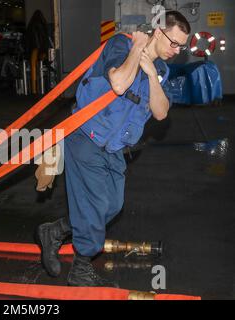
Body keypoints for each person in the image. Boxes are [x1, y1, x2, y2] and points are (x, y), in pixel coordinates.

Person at [36, 11, 191, 287]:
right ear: (158, 32)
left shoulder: (163, 71)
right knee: (95, 205)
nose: (176, 51)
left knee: (112, 206)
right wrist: (136, 51)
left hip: (114, 148)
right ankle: (81, 269)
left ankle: (55, 231)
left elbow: (161, 112)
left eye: (181, 46)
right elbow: (119, 83)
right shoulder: (121, 45)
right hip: (85, 136)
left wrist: (152, 76)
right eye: (173, 42)